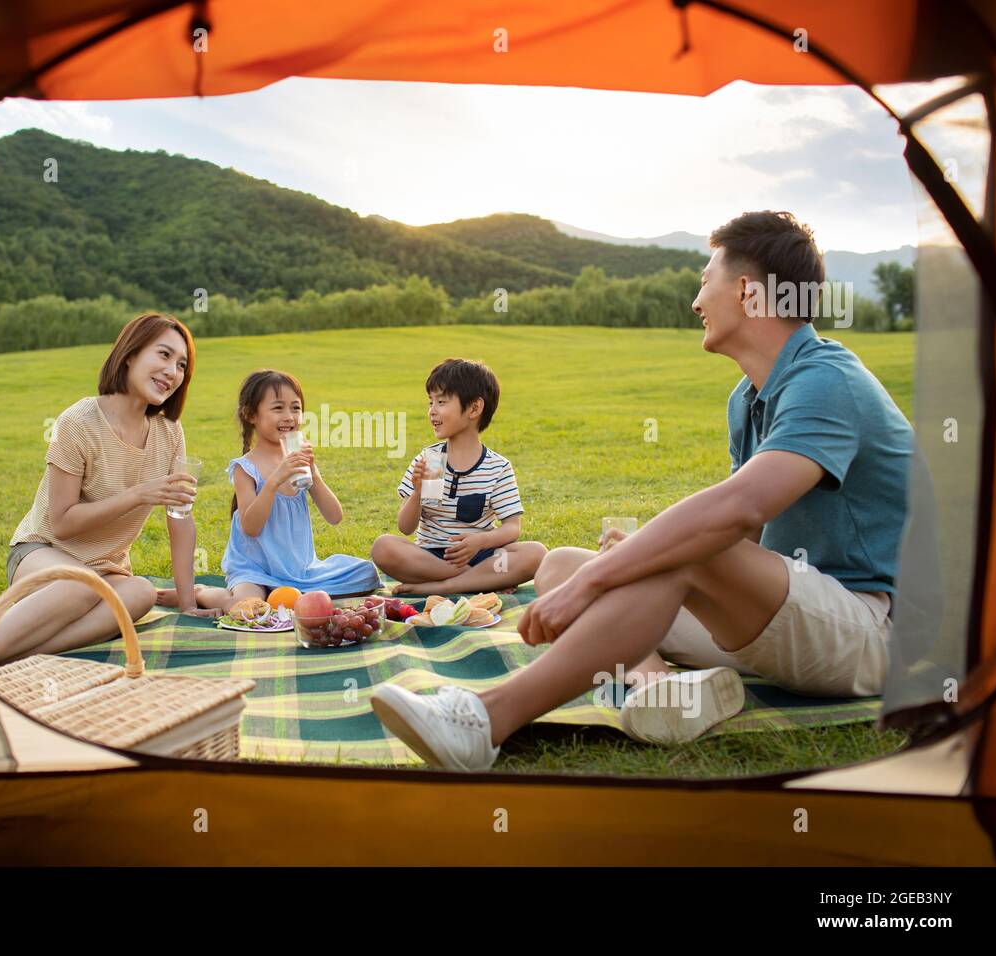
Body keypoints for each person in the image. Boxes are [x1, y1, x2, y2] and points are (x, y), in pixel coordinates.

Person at [371, 211, 914, 770]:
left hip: (869, 630)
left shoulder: (828, 380)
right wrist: (627, 559)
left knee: (677, 553)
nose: (696, 300)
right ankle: (663, 696)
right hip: (783, 620)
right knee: (560, 566)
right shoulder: (747, 399)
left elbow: (736, 512)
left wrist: (622, 569)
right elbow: (751, 532)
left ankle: (486, 720)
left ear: (748, 291)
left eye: (706, 280)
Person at [0, 312, 213, 669]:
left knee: (140, 592)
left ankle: (12, 655)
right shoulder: (78, 422)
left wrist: (188, 602)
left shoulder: (169, 432)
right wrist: (139, 494)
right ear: (130, 355)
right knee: (80, 583)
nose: (173, 371)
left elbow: (180, 519)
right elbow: (62, 522)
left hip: (107, 570)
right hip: (42, 551)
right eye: (164, 355)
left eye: (182, 364)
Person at [180, 369, 382, 612]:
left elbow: (334, 516)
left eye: (295, 408)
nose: (289, 417)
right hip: (254, 569)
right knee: (246, 608)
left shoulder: (300, 463)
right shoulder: (246, 468)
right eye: (278, 408)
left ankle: (287, 593)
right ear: (251, 415)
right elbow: (251, 527)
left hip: (298, 569)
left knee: (367, 574)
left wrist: (314, 473)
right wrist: (274, 481)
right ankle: (204, 593)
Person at [370, 357, 547, 595]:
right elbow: (405, 528)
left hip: (480, 557)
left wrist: (479, 542)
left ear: (474, 408)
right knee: (383, 547)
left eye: (441, 402)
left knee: (536, 554)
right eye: (430, 402)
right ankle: (477, 582)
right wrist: (418, 494)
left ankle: (443, 587)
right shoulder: (428, 461)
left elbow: (512, 528)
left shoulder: (498, 467)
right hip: (431, 559)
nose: (432, 411)